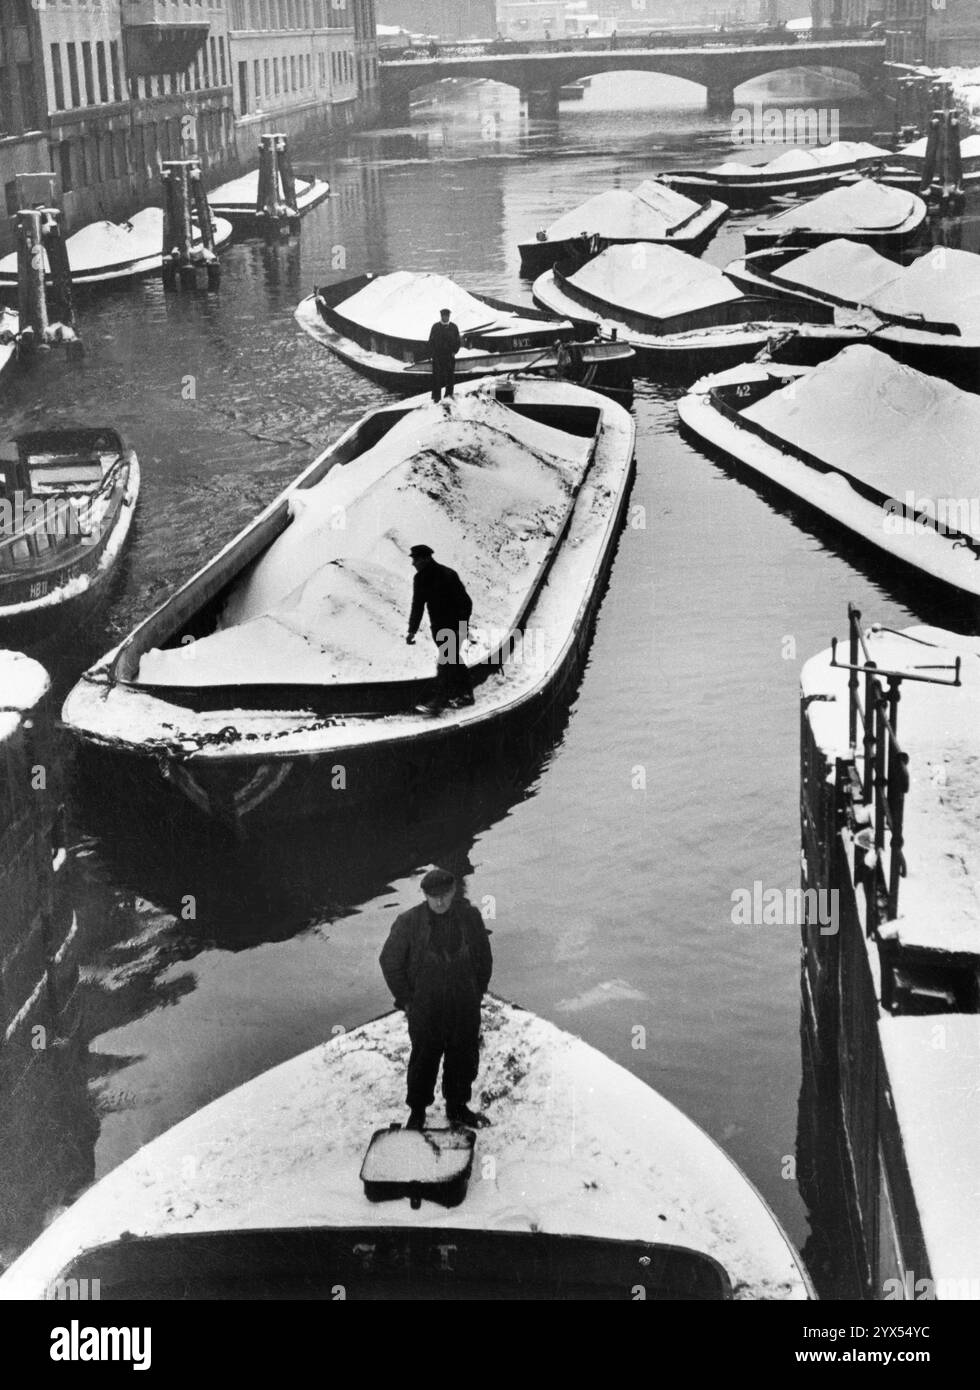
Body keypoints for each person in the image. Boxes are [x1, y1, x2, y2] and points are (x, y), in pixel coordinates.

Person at [380, 868, 493, 1130]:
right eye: (433, 896)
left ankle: (457, 1108)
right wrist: (408, 1001)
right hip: (426, 1009)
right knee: (424, 1061)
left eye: (444, 895)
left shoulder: (470, 917)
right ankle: (417, 1112)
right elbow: (389, 961)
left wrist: (477, 992)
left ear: (453, 891)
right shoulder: (409, 922)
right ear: (425, 895)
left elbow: (483, 958)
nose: (439, 902)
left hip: (463, 1005)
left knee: (463, 1059)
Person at [406, 544, 474, 714]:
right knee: (452, 659)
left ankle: (438, 701)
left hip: (454, 626)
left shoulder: (447, 574)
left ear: (426, 558)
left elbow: (466, 603)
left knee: (445, 660)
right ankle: (465, 694)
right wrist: (412, 630)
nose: (413, 563)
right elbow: (418, 605)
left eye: (415, 559)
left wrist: (462, 627)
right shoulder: (420, 579)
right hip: (438, 627)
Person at [428, 307, 461, 402]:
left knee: (450, 376)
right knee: (436, 377)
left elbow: (458, 341)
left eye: (447, 316)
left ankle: (449, 395)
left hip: (449, 356)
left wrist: (454, 351)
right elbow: (431, 341)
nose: (446, 317)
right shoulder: (435, 327)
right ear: (441, 316)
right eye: (444, 316)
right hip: (438, 356)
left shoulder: (454, 327)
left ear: (449, 316)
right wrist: (432, 354)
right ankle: (436, 397)